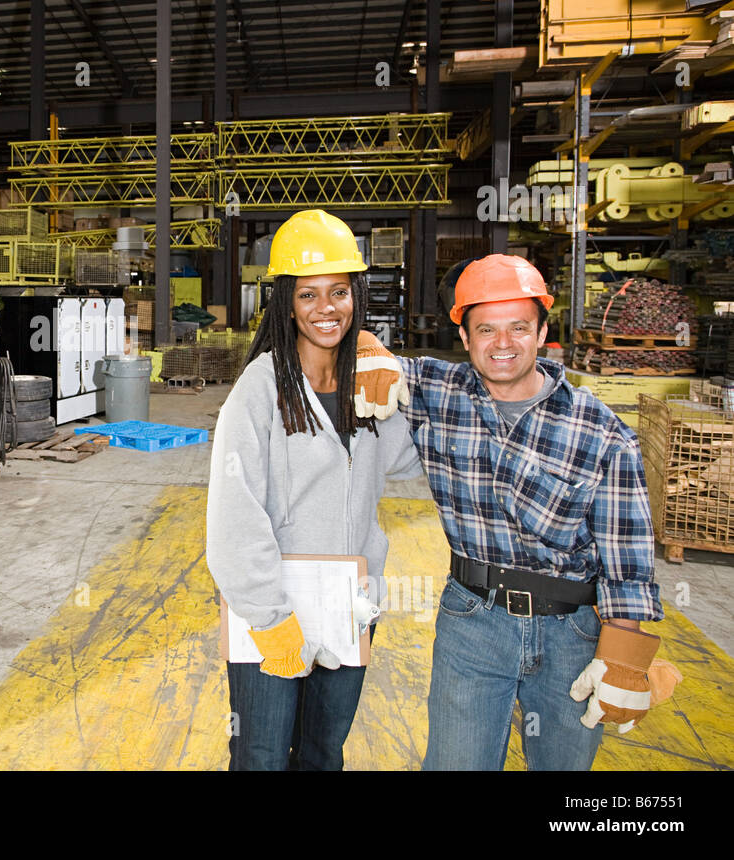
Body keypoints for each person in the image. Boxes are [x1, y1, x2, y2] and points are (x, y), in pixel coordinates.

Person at [353, 254, 676, 770]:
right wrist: (367, 349)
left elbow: (628, 560)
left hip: (571, 634)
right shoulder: (440, 392)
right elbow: (355, 354)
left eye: (518, 327)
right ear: (464, 336)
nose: (502, 344)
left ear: (544, 331)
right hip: (473, 622)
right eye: (486, 329)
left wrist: (623, 659)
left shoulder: (602, 432)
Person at [205, 209, 421, 771]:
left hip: (349, 602)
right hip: (274, 603)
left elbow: (415, 456)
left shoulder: (368, 387)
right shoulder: (260, 390)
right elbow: (233, 517)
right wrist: (268, 616)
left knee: (325, 754)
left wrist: (391, 365)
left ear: (357, 295)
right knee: (261, 756)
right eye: (308, 295)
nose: (326, 309)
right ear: (285, 302)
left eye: (339, 292)